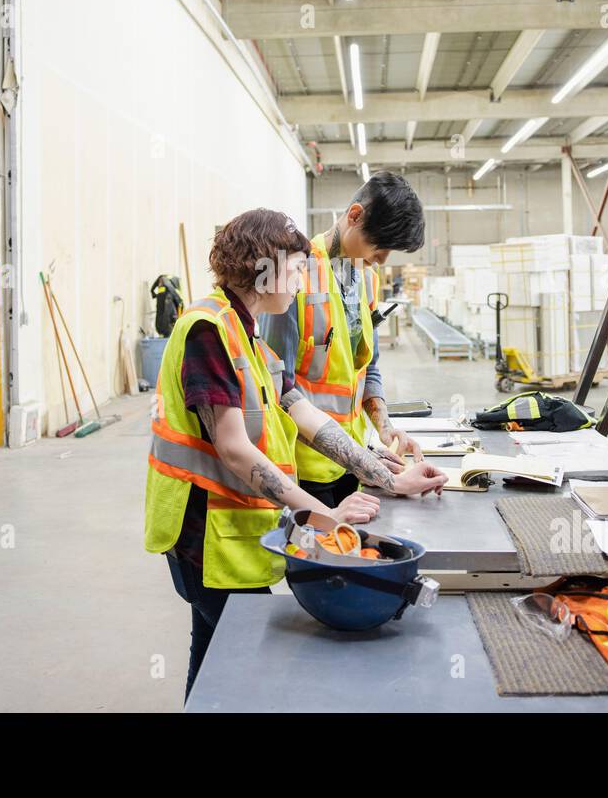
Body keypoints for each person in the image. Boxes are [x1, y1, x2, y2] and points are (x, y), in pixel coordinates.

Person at [145, 208, 448, 700]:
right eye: (297, 268)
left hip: (232, 532)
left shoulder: (250, 336)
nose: (304, 279)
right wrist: (324, 516)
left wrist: (389, 478)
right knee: (248, 663)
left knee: (214, 653)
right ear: (263, 267)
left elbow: (309, 418)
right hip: (202, 535)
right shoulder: (208, 331)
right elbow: (234, 449)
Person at [263, 171, 427, 508]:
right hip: (303, 471)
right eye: (380, 246)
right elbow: (276, 388)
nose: (382, 259)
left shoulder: (364, 277)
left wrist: (384, 429)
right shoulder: (294, 276)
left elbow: (368, 366)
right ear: (354, 216)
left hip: (353, 464)